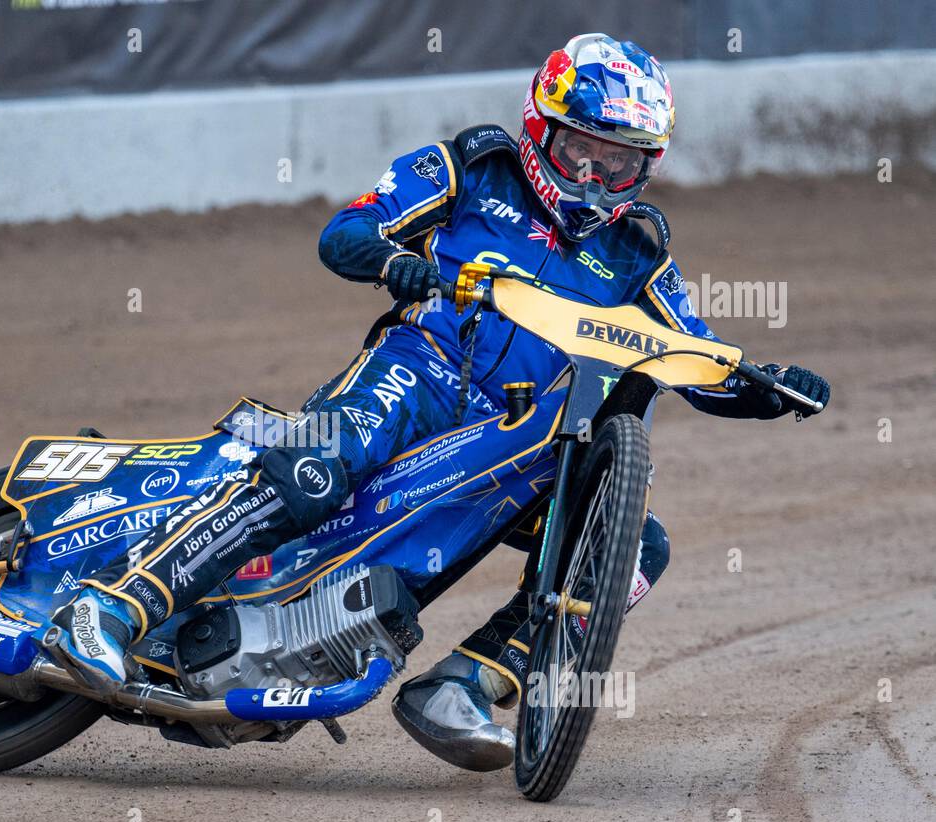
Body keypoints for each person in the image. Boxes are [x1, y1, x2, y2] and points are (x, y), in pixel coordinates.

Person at [54, 33, 831, 770]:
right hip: (415, 370)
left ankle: (466, 682)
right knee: (320, 463)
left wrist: (769, 389)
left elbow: (691, 356)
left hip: (514, 434)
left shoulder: (641, 251)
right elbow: (345, 233)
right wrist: (408, 268)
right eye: (580, 150)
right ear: (542, 128)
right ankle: (112, 606)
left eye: (618, 163)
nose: (593, 178)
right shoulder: (474, 166)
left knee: (636, 543)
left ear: (645, 168)